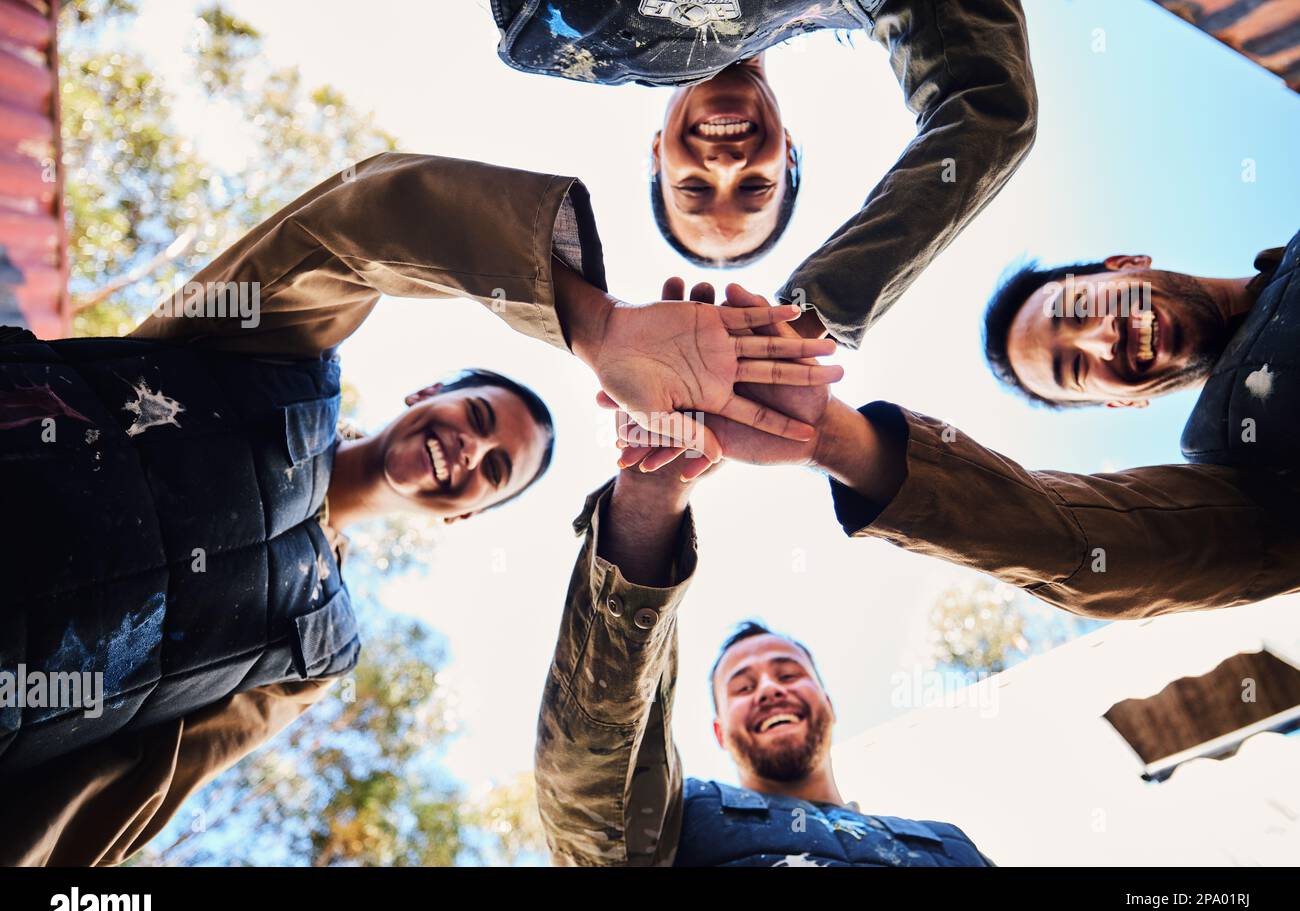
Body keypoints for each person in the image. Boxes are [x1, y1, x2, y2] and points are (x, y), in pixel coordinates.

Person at [0, 152, 837, 863]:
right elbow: (358, 223)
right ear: (427, 391)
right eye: (475, 418)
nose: (466, 451)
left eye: (493, 468)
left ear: (463, 515)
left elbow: (133, 785)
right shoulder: (272, 357)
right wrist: (597, 324)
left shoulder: (312, 649)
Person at [617, 272, 1300, 622]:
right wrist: (831, 438)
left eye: (1078, 309)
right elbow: (1092, 547)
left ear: (1124, 265)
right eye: (1075, 371)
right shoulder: (1248, 472)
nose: (1104, 341)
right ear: (1124, 403)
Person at [534, 382, 991, 866]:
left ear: (830, 705)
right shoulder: (677, 819)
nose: (770, 688)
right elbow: (588, 794)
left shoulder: (948, 845)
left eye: (788, 672)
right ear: (719, 733)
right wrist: (652, 490)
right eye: (742, 686)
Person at [489, 0, 1038, 346]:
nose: (726, 166)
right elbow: (986, 109)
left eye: (694, 189)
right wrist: (813, 315)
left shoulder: (564, 43)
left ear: (658, 154)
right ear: (789, 155)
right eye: (756, 186)